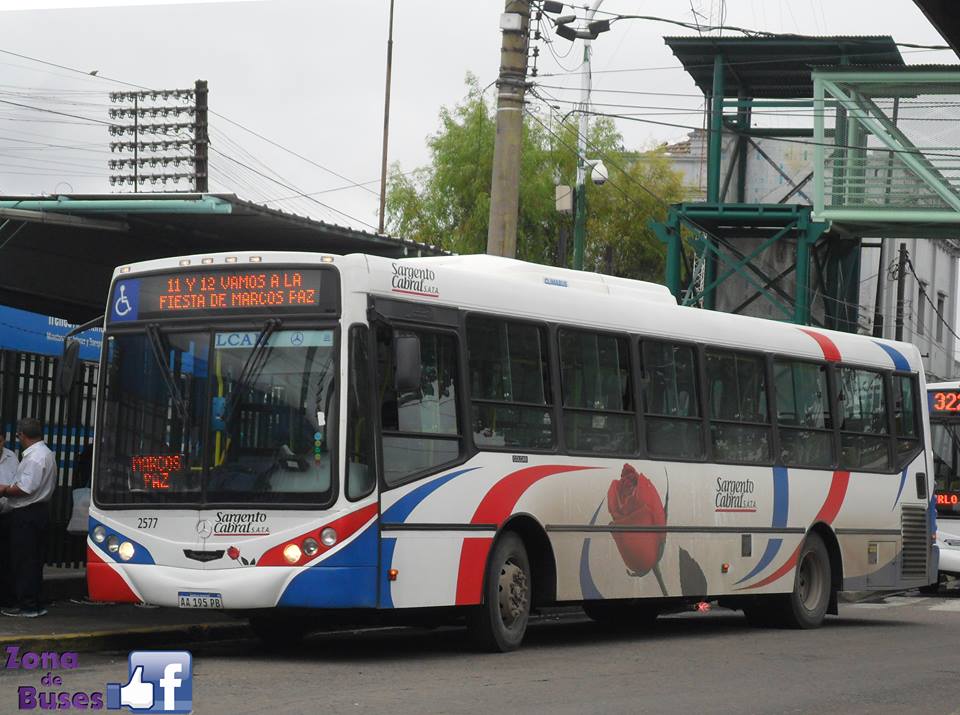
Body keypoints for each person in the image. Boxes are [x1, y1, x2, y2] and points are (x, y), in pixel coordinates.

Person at [0, 418, 57, 618]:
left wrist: (4, 489)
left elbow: (25, 488)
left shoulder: (33, 458)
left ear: (22, 435)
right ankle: (35, 602)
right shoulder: (47, 453)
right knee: (34, 560)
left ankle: (27, 605)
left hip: (26, 514)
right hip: (39, 512)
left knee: (23, 561)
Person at [0, 433, 20, 607]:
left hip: (6, 514)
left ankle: (5, 599)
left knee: (6, 559)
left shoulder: (11, 457)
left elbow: (17, 483)